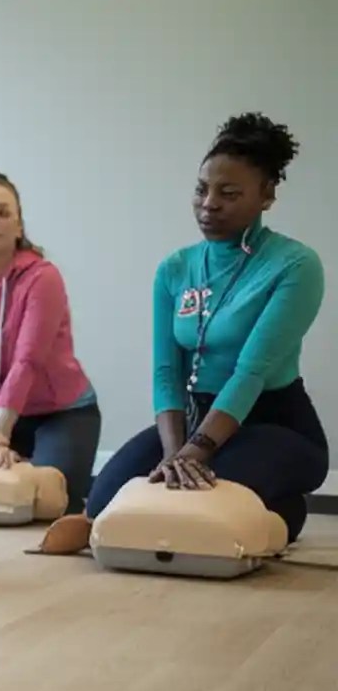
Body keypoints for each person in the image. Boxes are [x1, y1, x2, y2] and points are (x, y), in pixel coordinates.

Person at [39, 113, 327, 553]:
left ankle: (271, 513)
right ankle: (273, 505)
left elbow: (251, 372)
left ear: (267, 195)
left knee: (204, 497)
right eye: (202, 189)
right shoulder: (175, 268)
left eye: (229, 194)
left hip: (273, 421)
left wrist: (199, 452)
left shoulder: (295, 266)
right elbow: (164, 372)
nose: (209, 203)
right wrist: (176, 453)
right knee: (107, 497)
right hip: (193, 420)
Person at [0, 170, 101, 514]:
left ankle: (23, 464)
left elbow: (29, 360)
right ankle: (14, 463)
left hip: (63, 412)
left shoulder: (44, 278)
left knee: (49, 503)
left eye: (2, 212)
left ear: (19, 227)